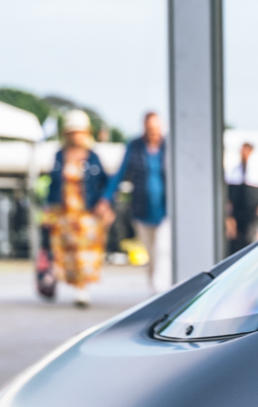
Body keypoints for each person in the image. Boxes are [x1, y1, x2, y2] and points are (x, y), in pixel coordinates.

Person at [43, 109, 111, 306]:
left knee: (85, 254)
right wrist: (48, 208)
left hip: (87, 214)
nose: (77, 136)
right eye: (73, 132)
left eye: (80, 131)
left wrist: (106, 205)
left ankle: (83, 289)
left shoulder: (93, 157)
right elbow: (52, 184)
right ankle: (76, 286)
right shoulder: (59, 156)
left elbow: (106, 183)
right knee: (67, 254)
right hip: (64, 213)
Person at [106, 111, 169, 291]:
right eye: (150, 129)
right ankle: (154, 290)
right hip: (142, 210)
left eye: (156, 129)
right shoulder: (135, 147)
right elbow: (120, 174)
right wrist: (106, 199)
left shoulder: (168, 147)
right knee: (151, 254)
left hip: (165, 211)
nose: (153, 133)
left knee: (162, 251)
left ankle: (161, 290)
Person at [224, 141, 258, 251]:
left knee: (250, 238)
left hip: (254, 212)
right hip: (238, 213)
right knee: (235, 241)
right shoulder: (235, 170)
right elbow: (230, 195)